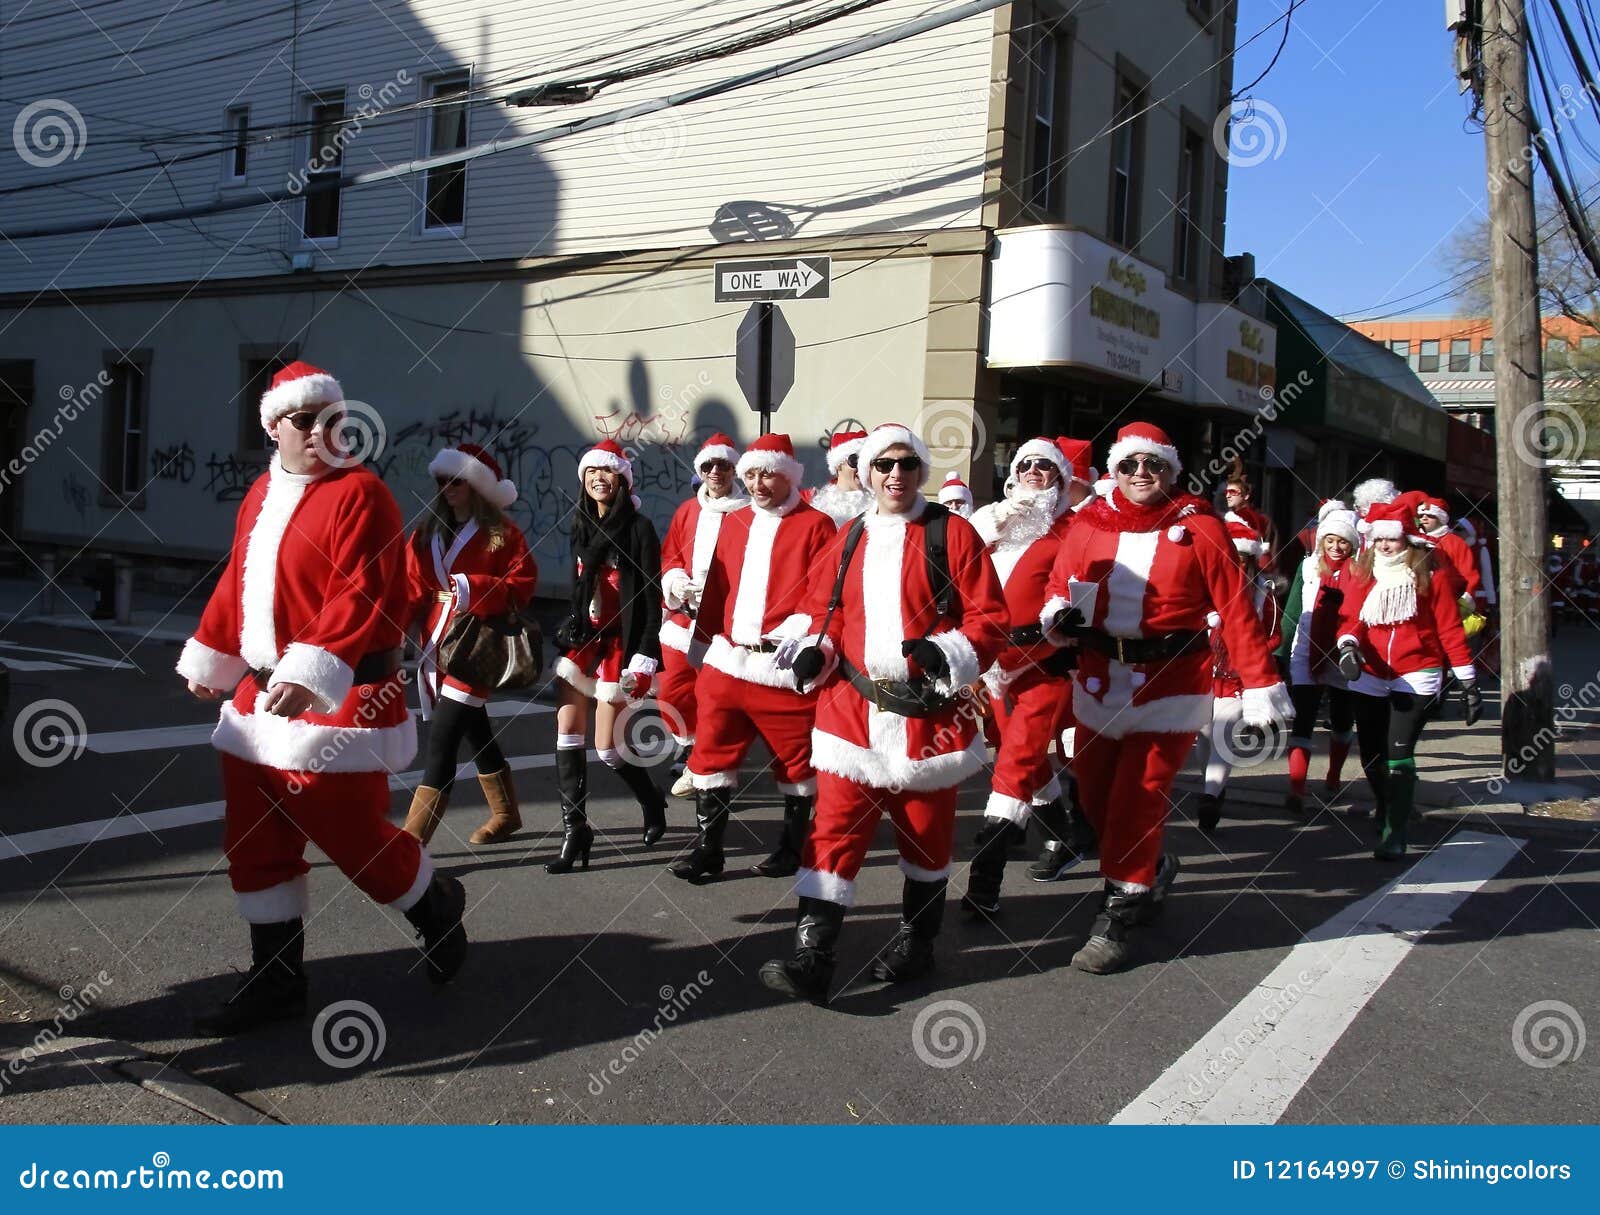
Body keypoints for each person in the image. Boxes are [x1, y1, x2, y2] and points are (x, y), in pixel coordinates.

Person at [176, 362, 466, 1036]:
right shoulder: (259, 494)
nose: (321, 432)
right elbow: (239, 585)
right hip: (259, 696)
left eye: (331, 418)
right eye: (304, 421)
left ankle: (433, 901)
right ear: (274, 428)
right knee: (254, 837)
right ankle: (277, 979)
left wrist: (314, 667)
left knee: (352, 831)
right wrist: (212, 657)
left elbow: (361, 593)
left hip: (338, 693)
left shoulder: (361, 492)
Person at [759, 423, 1009, 1004]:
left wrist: (946, 650)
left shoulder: (954, 535)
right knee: (831, 833)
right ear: (867, 473)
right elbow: (824, 613)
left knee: (926, 840)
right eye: (884, 465)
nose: (895, 475)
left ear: (920, 471)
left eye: (906, 464)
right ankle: (812, 958)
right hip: (852, 714)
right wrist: (814, 651)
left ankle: (917, 945)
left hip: (929, 720)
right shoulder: (848, 537)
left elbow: (989, 619)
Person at [1038, 422, 1292, 974]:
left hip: (1170, 683)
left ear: (1170, 471)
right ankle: (1150, 863)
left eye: (1152, 466)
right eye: (1129, 466)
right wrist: (1057, 618)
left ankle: (1118, 915)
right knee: (1096, 799)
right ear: (1114, 470)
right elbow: (1059, 587)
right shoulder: (1088, 523)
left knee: (1139, 794)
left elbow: (1236, 610)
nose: (1139, 476)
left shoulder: (1199, 526)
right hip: (1099, 679)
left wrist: (1258, 683)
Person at [670, 434, 838, 884]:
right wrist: (702, 648)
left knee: (796, 765)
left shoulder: (817, 525)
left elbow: (824, 598)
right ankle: (708, 851)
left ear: (788, 474)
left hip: (779, 669)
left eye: (767, 473)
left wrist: (797, 640)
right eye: (751, 475)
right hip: (728, 663)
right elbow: (717, 591)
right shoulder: (735, 520)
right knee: (709, 756)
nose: (758, 483)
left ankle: (790, 848)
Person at [961, 436, 1095, 915]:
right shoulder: (991, 524)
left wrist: (1041, 640)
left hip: (1046, 667)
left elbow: (1077, 607)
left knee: (1015, 762)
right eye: (1027, 465)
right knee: (1022, 756)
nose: (1035, 472)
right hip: (994, 665)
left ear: (1061, 479)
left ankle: (984, 880)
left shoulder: (1075, 530)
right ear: (1013, 472)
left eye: (1047, 467)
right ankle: (1064, 836)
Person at [401, 444, 538, 847]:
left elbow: (521, 587)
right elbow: (410, 588)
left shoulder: (504, 535)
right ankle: (506, 813)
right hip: (434, 644)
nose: (448, 488)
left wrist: (470, 588)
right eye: (442, 481)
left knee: (442, 739)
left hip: (477, 645)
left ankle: (411, 843)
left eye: (456, 480)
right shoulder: (426, 532)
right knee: (474, 730)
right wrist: (392, 634)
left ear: (476, 486)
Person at [1336, 499, 1481, 860]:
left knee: (1398, 753)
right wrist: (1348, 645)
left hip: (1417, 672)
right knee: (1371, 754)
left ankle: (1395, 831)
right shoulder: (1362, 571)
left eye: (1393, 539)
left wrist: (1467, 679)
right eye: (1380, 539)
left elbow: (1449, 629)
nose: (1385, 546)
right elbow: (1351, 618)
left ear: (1408, 540)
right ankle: (1388, 805)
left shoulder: (1431, 572)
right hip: (1369, 671)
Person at [549, 439, 667, 873]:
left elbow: (651, 599)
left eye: (608, 472)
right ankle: (575, 831)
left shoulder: (639, 528)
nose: (599, 478)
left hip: (622, 643)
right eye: (592, 472)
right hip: (586, 640)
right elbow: (578, 585)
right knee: (566, 730)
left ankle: (652, 800)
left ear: (622, 479)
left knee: (608, 750)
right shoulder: (580, 522)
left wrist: (645, 654)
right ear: (584, 480)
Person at [1274, 500, 1390, 824]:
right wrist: (1280, 652)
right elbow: (1293, 611)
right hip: (1306, 649)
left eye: (1343, 542)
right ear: (1321, 540)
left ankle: (1333, 777)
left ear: (1353, 544)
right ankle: (1296, 789)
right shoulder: (1307, 567)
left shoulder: (1363, 572)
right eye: (1330, 541)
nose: (1336, 547)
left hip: (1344, 653)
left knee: (1341, 720)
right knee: (1303, 720)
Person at [658, 432, 747, 799]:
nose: (716, 472)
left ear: (733, 471)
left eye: (723, 466)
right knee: (672, 688)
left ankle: (710, 768)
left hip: (725, 623)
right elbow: (670, 555)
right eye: (709, 466)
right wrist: (676, 581)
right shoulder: (687, 511)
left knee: (715, 697)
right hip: (684, 620)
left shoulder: (747, 513)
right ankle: (689, 744)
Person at [1190, 510, 1284, 830]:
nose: (1237, 564)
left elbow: (1274, 636)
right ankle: (1213, 787)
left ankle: (1209, 796)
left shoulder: (1263, 596)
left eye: (1243, 559)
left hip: (1237, 680)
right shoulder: (1204, 589)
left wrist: (1249, 654)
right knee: (1204, 740)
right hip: (1204, 676)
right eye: (1232, 557)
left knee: (1223, 737)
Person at [807, 428, 871, 526]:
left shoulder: (880, 503)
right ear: (838, 465)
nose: (862, 467)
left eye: (866, 461)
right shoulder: (820, 505)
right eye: (855, 461)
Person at [1223, 473, 1277, 572]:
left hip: (1252, 577)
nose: (1227, 496)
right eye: (1226, 492)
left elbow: (1269, 557)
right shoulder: (1225, 519)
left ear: (1246, 495)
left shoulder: (1262, 520)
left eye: (1232, 492)